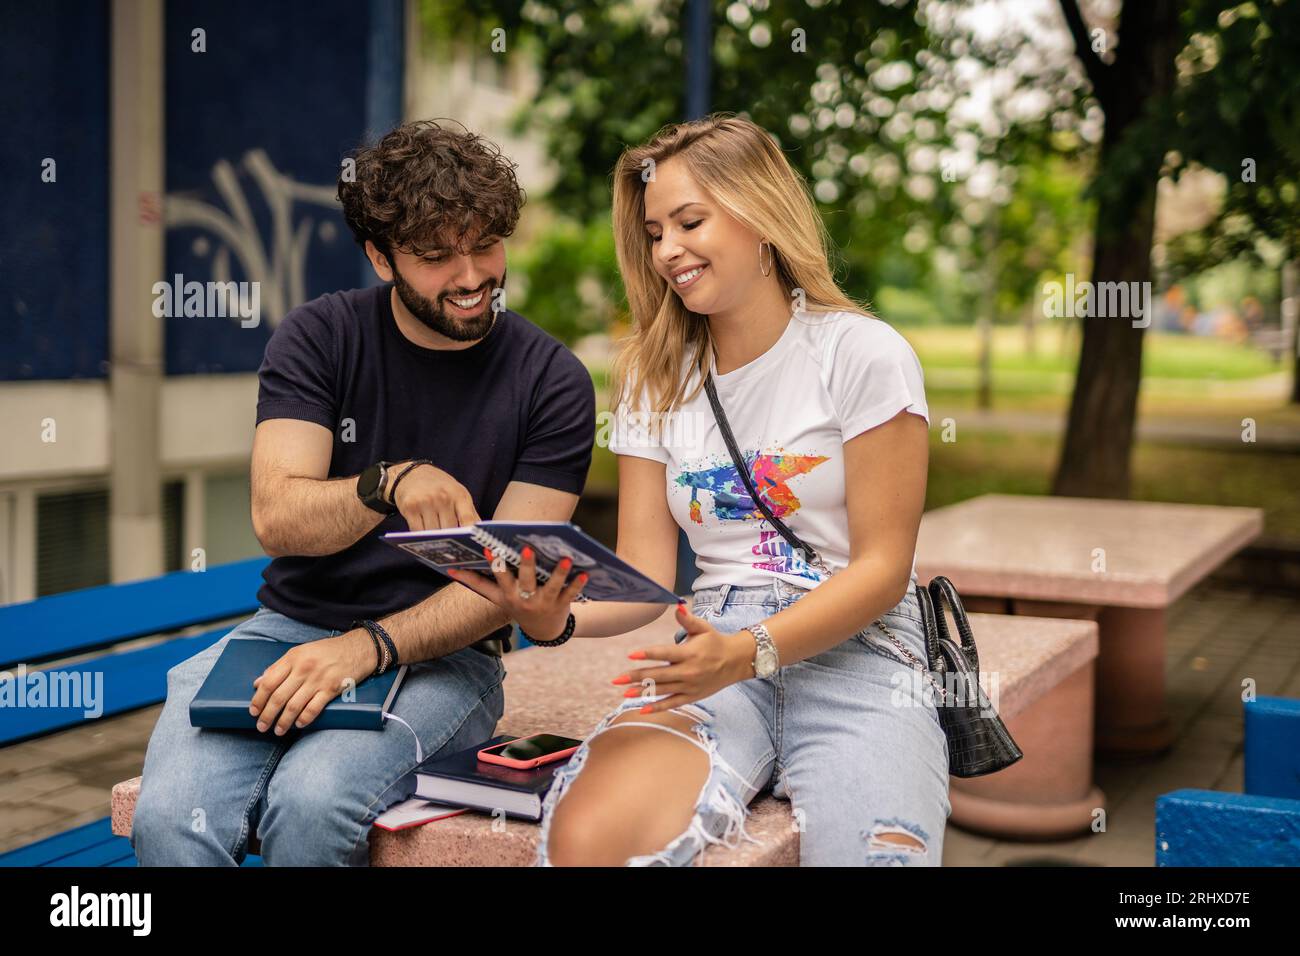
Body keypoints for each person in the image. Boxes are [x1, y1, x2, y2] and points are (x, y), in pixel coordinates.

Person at [451, 113, 949, 867]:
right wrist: (552, 619)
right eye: (655, 233)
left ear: (763, 217)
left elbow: (883, 570)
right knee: (589, 839)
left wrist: (754, 651)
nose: (668, 251)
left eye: (690, 222)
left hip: (862, 653)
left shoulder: (861, 353)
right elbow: (647, 579)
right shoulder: (655, 378)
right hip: (710, 647)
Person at [131, 120, 595, 866]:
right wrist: (387, 483)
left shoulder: (552, 381)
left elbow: (503, 581)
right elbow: (279, 519)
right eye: (438, 256)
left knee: (312, 808)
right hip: (285, 633)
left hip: (447, 660)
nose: (472, 275)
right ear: (381, 257)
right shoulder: (319, 337)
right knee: (167, 823)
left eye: (485, 245)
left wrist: (365, 648)